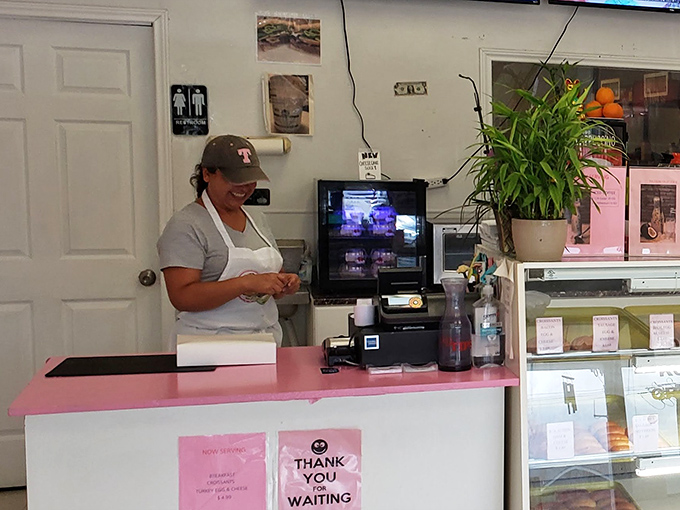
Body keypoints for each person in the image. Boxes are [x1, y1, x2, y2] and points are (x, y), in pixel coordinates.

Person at [157, 135, 300, 348]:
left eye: (249, 180)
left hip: (264, 341)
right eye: (233, 179)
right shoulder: (186, 224)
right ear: (207, 174)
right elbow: (182, 296)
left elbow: (268, 280)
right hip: (206, 345)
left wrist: (282, 284)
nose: (243, 187)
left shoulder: (256, 219)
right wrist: (246, 283)